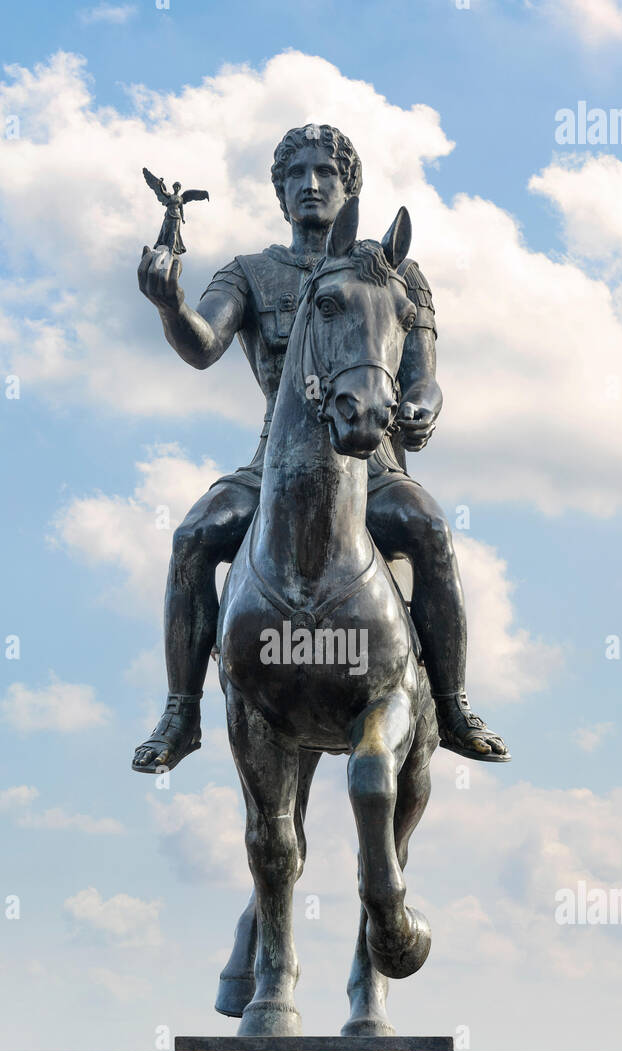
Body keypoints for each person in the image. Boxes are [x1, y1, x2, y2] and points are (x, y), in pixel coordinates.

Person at [132, 123, 509, 772]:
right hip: (274, 470)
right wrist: (169, 305)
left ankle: (449, 705)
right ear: (279, 193)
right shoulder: (250, 274)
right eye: (295, 175)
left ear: (347, 187)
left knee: (428, 528)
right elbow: (200, 346)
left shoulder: (393, 271)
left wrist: (419, 407)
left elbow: (422, 377)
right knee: (193, 537)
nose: (310, 184)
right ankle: (180, 711)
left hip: (373, 467)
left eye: (325, 174)